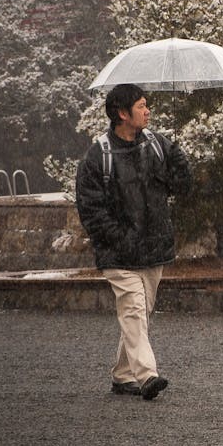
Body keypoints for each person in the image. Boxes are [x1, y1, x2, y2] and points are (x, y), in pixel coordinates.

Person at [75, 84, 192, 401]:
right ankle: (147, 376)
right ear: (122, 114)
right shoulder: (98, 156)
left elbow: (181, 186)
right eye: (141, 106)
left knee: (139, 315)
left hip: (153, 250)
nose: (148, 110)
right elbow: (90, 209)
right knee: (134, 311)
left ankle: (122, 375)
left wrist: (179, 158)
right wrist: (120, 238)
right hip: (119, 253)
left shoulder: (156, 145)